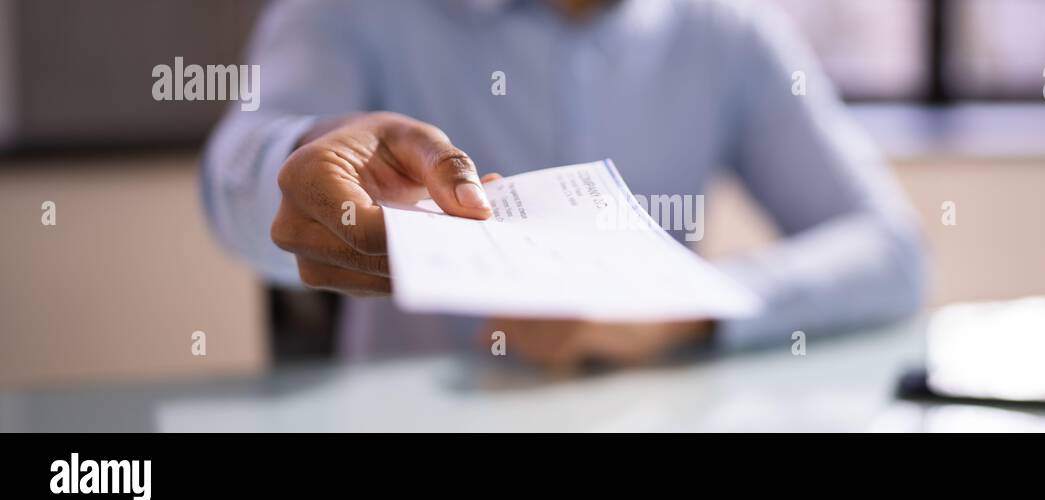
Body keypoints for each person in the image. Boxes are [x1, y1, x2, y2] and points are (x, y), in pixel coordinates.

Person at [202, 0, 927, 370]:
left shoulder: (723, 29)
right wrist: (296, 161)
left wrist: (682, 310)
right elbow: (231, 175)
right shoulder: (359, 12)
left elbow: (893, 250)